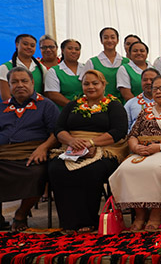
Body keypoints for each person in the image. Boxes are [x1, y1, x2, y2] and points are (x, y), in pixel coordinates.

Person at [48, 69, 129, 233]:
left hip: (105, 147)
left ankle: (89, 220)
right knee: (56, 168)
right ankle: (69, 222)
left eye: (95, 83)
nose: (90, 87)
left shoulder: (114, 105)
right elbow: (59, 128)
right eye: (86, 84)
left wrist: (92, 142)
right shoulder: (72, 105)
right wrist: (71, 141)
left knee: (92, 170)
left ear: (103, 84)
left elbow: (119, 131)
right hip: (73, 145)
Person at [108, 75, 161, 230]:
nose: (158, 91)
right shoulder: (145, 112)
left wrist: (159, 147)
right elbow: (132, 135)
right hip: (142, 150)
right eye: (155, 88)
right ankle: (140, 214)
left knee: (153, 168)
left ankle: (155, 215)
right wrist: (136, 147)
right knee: (126, 169)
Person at [0, 68, 59, 231]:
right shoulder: (0, 108)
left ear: (32, 83)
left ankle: (21, 214)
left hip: (33, 153)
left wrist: (43, 148)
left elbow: (57, 133)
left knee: (37, 174)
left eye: (24, 81)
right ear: (9, 85)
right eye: (14, 82)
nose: (19, 85)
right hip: (3, 155)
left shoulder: (46, 105)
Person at [44, 39, 91, 107]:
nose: (73, 51)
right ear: (62, 50)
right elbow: (53, 94)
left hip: (87, 109)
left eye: (77, 49)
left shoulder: (86, 68)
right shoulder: (54, 71)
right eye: (70, 48)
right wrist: (75, 106)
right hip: (64, 111)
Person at [89, 27, 130, 101]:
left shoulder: (127, 62)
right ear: (101, 40)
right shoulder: (92, 62)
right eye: (106, 38)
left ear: (117, 40)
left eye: (113, 37)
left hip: (123, 103)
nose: (109, 40)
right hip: (100, 104)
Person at [0, 34, 45, 101]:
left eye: (32, 45)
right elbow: (5, 96)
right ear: (17, 45)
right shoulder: (5, 67)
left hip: (38, 108)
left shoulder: (42, 68)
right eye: (25, 44)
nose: (29, 47)